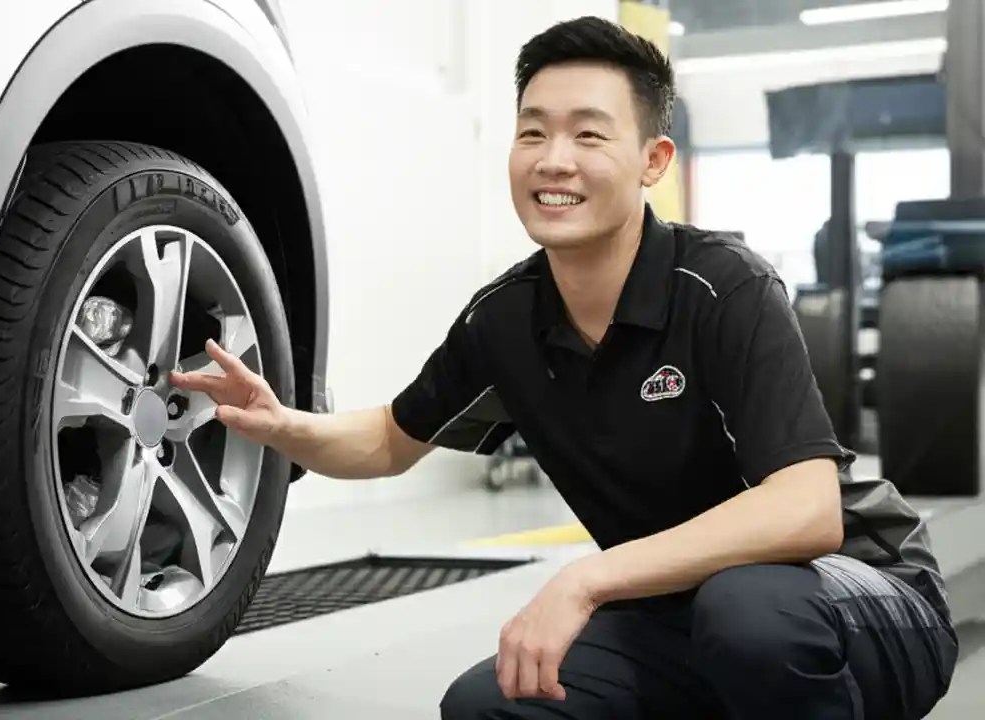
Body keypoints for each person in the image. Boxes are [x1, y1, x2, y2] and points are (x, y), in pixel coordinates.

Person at [170, 15, 959, 720]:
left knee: (749, 617)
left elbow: (807, 512)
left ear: (654, 160)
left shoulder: (723, 287)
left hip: (857, 593)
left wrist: (587, 580)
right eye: (533, 132)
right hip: (678, 610)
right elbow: (386, 439)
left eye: (589, 135)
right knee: (491, 704)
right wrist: (282, 425)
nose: (554, 161)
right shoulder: (504, 319)